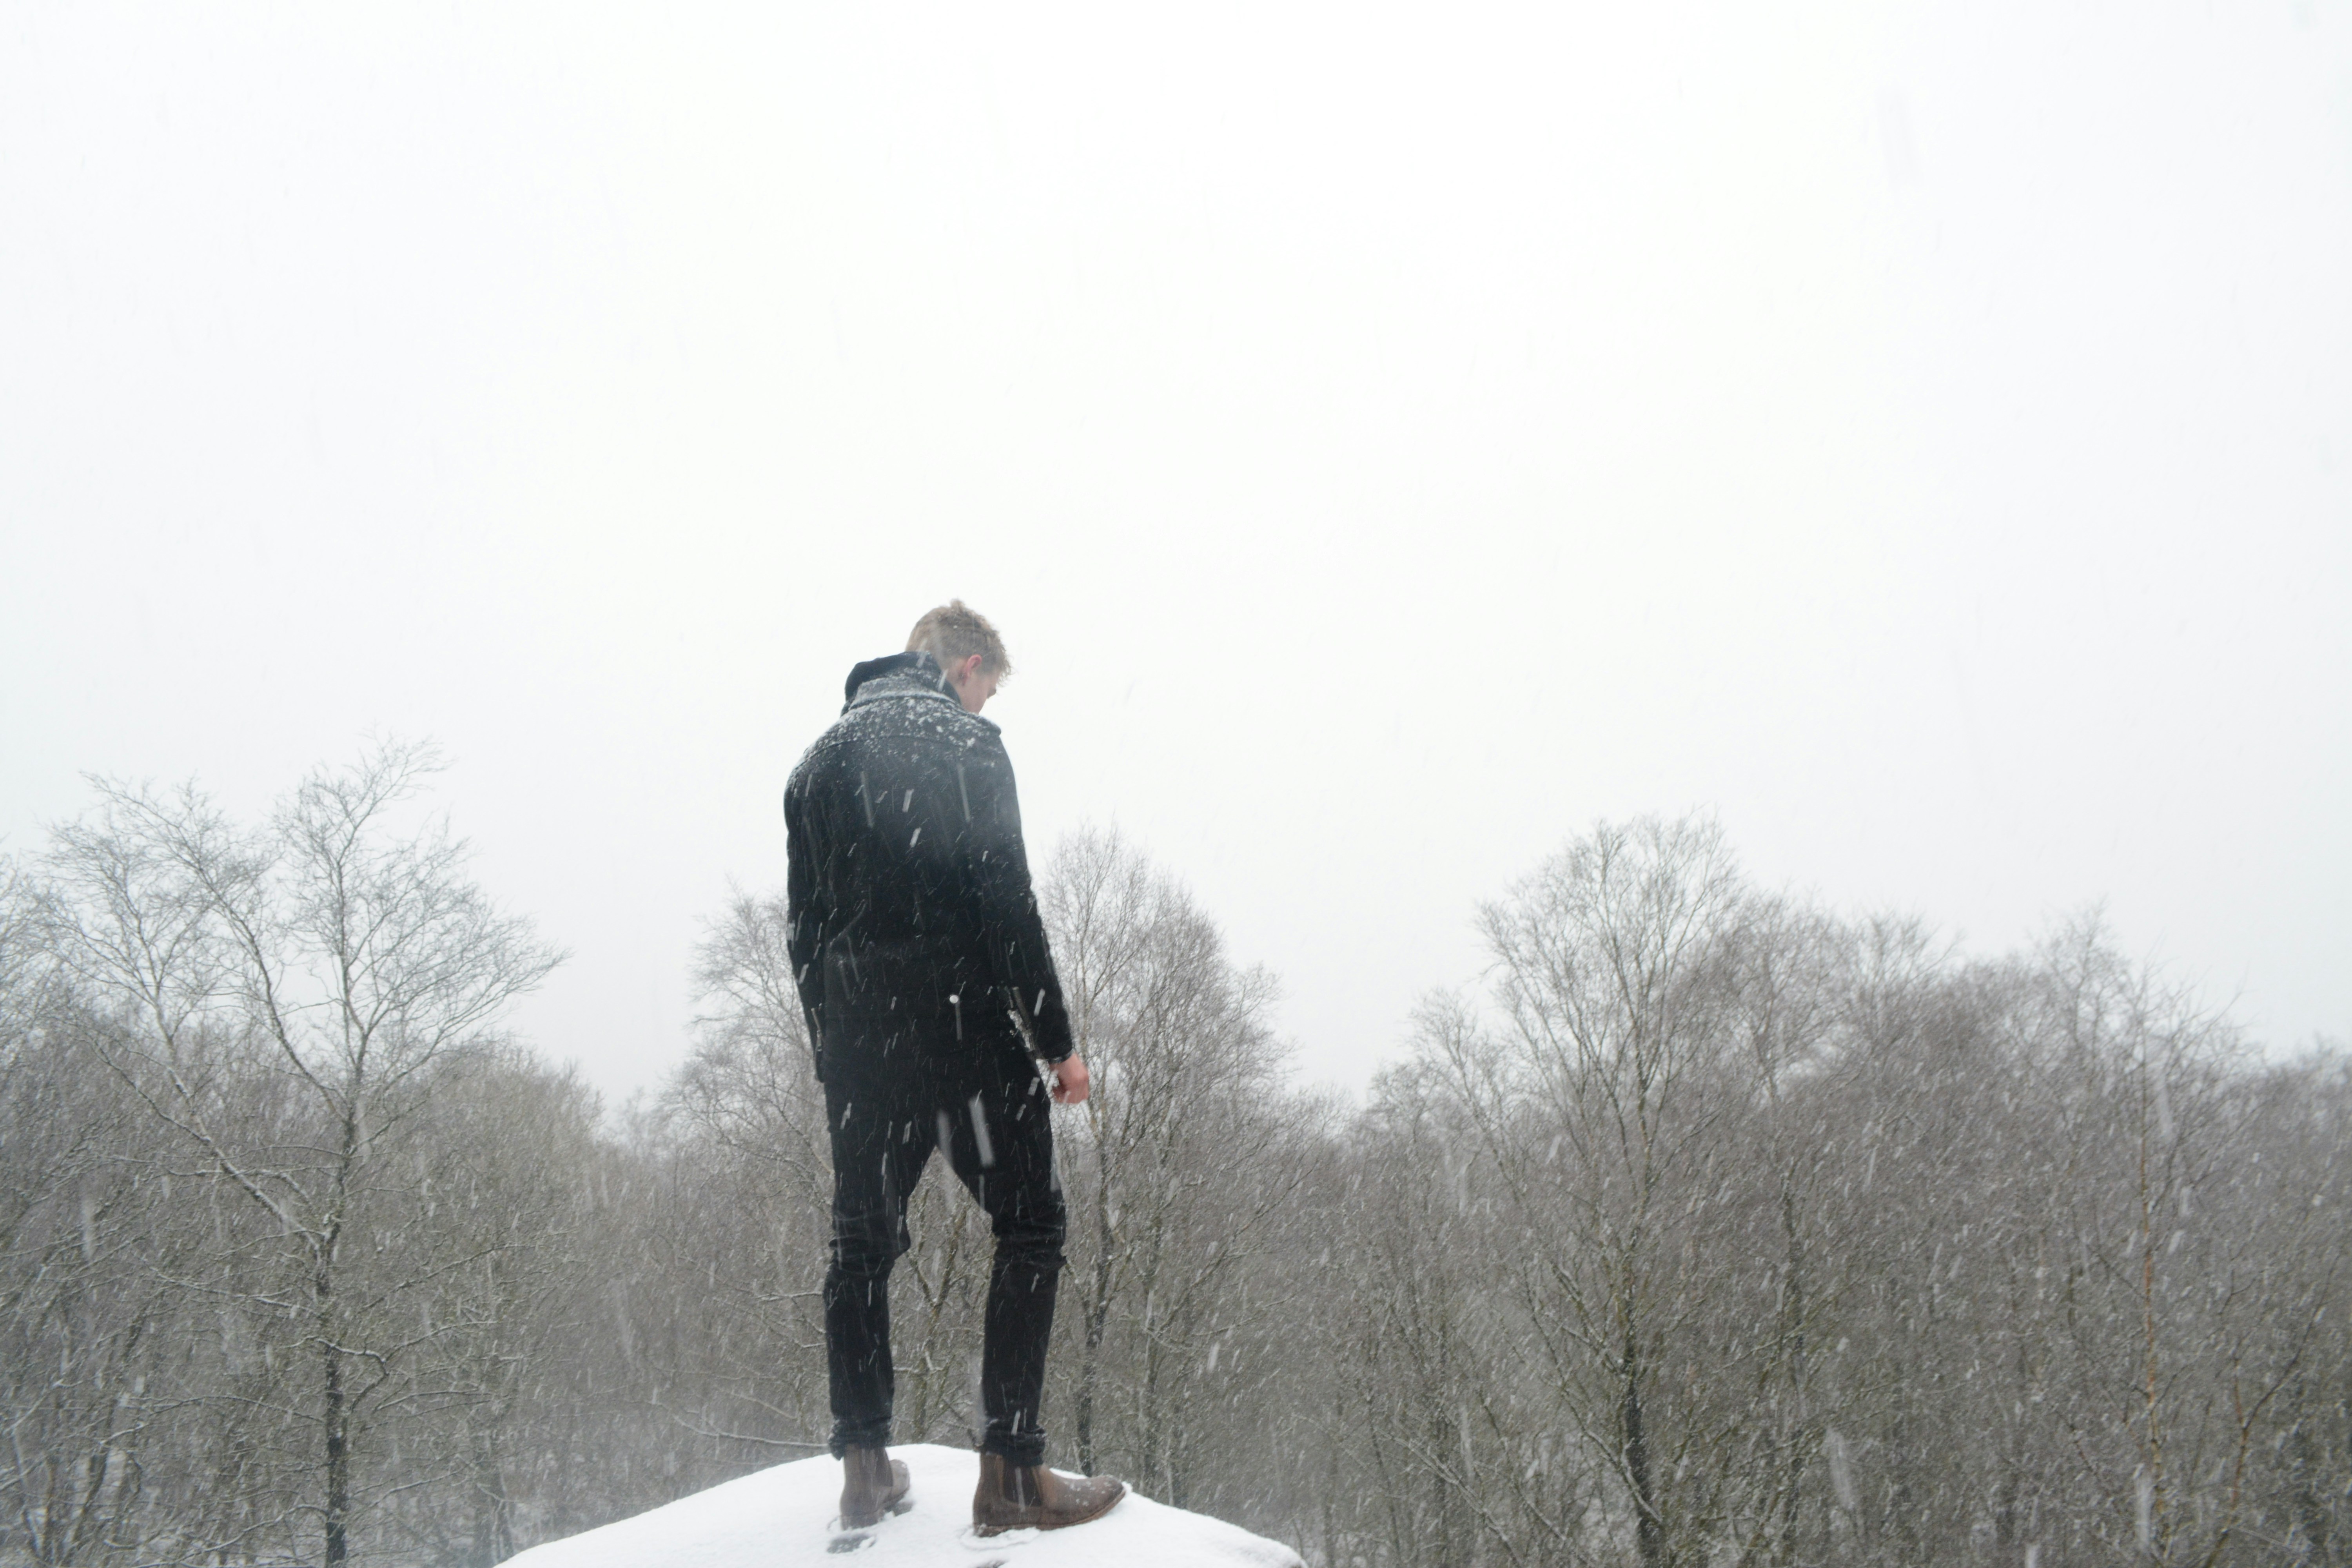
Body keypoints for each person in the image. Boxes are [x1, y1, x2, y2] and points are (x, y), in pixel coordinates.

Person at [783, 601, 1127, 1536]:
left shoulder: (815, 762)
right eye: (986, 690)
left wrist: (835, 1048)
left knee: (860, 1248)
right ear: (967, 665)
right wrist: (1057, 1043)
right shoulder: (967, 745)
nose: (981, 707)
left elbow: (804, 936)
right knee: (1030, 1225)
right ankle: (1012, 1475)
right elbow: (1008, 903)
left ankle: (863, 1468)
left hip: (862, 1049)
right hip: (963, 1030)